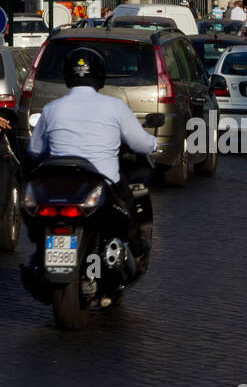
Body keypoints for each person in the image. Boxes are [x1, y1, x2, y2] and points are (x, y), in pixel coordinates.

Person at [29, 46, 157, 259]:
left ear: (68, 75)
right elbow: (140, 144)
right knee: (129, 206)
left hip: (58, 187)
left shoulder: (52, 108)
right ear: (100, 75)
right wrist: (153, 143)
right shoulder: (115, 107)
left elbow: (34, 151)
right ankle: (134, 249)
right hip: (102, 185)